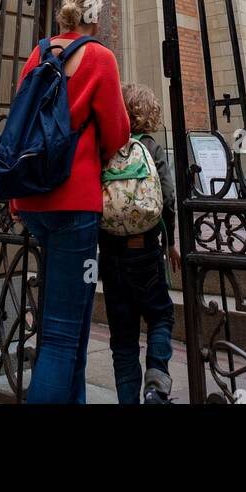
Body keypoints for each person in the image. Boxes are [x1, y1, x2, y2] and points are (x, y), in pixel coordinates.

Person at [12, 0, 129, 405]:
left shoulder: (39, 52)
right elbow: (118, 132)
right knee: (61, 335)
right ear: (94, 15)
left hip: (32, 200)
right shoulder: (99, 57)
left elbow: (20, 124)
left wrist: (15, 198)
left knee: (72, 320)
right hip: (73, 203)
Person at [98, 83, 181, 404]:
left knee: (122, 339)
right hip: (144, 250)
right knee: (160, 316)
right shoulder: (152, 149)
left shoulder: (107, 147)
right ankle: (156, 385)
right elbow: (168, 198)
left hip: (110, 253)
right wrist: (170, 240)